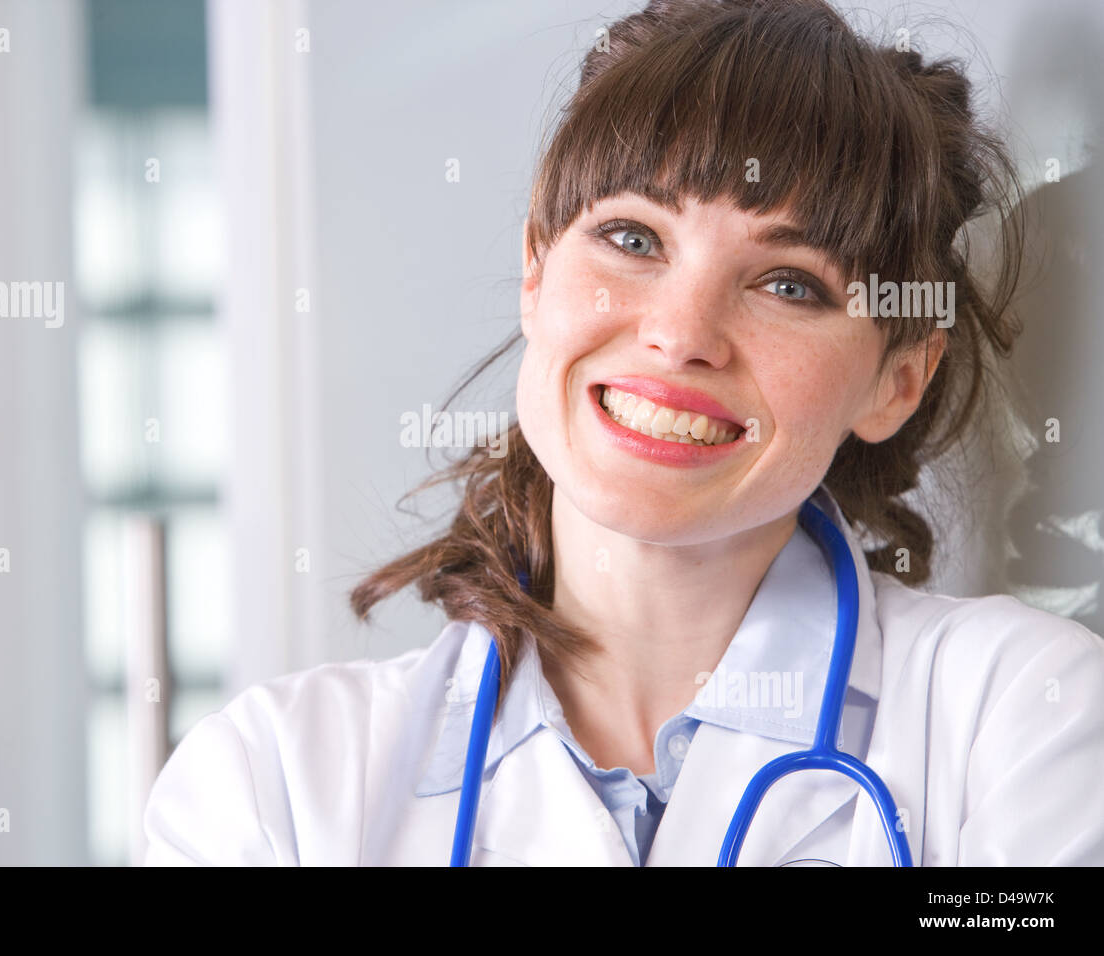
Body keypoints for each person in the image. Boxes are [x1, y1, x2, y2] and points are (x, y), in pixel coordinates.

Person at [142, 0, 1104, 866]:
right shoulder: (271, 788)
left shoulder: (1027, 721)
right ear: (535, 268)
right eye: (634, 238)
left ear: (897, 381)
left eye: (788, 284)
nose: (680, 335)